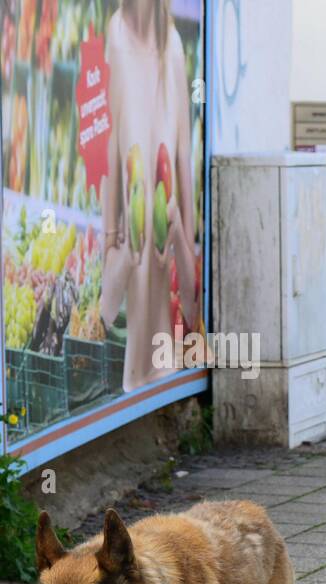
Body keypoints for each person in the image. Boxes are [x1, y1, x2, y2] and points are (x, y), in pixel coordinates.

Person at [99, 0, 199, 392]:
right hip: (135, 258)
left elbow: (183, 158)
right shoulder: (118, 37)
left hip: (161, 274)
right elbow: (111, 145)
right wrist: (116, 245)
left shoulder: (172, 45)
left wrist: (178, 235)